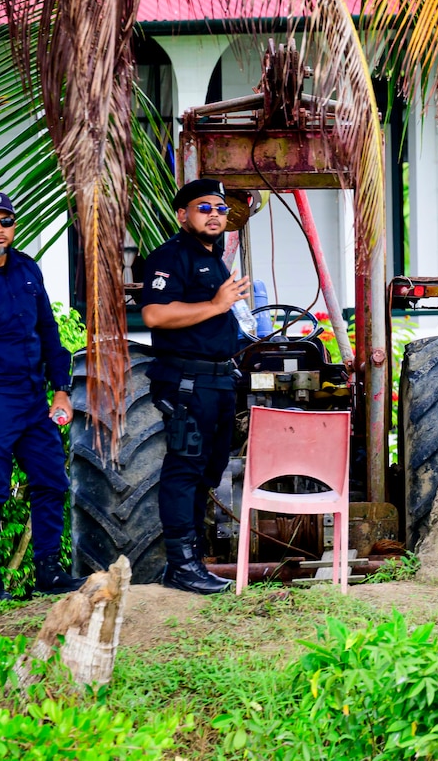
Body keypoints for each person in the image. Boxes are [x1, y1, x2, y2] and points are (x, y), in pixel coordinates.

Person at [0, 191, 85, 601]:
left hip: (36, 399)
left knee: (52, 481)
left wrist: (62, 391)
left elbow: (50, 336)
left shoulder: (29, 270)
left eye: (6, 221)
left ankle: (49, 572)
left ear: (14, 225)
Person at [140, 179, 251, 594]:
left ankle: (196, 560)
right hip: (187, 382)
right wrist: (218, 305)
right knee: (184, 470)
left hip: (220, 381)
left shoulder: (216, 259)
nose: (215, 215)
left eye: (221, 209)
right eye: (204, 208)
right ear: (182, 214)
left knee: (209, 471)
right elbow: (153, 315)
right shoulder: (169, 257)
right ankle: (181, 565)